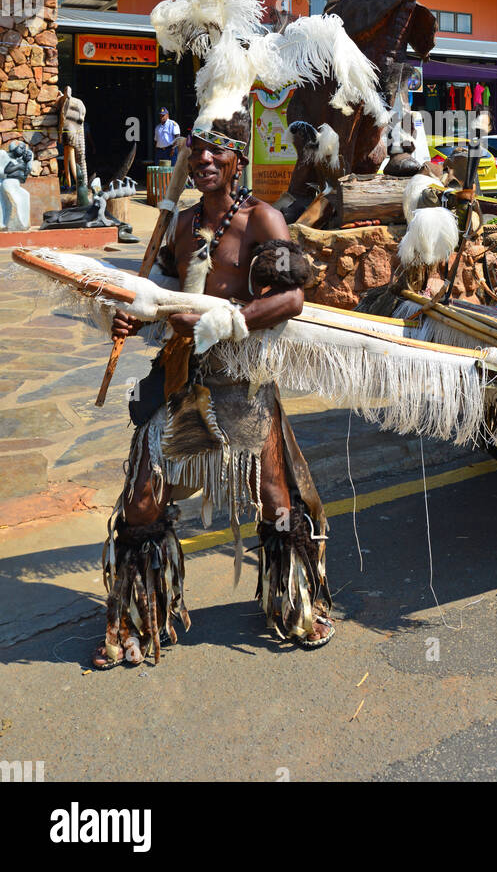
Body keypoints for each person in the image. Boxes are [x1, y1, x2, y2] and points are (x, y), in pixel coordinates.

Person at [92, 106, 333, 669]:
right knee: (142, 503)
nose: (202, 160)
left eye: (215, 151)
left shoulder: (262, 221)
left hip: (240, 384)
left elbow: (293, 298)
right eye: (195, 150)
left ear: (237, 160)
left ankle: (295, 605)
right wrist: (131, 317)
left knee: (275, 503)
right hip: (182, 378)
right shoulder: (178, 224)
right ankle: (139, 620)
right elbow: (162, 299)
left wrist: (233, 318)